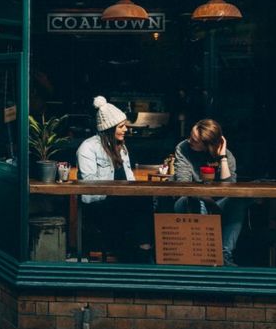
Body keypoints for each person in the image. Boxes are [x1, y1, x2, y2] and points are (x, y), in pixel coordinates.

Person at [76, 96, 153, 262]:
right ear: (110, 128)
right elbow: (89, 186)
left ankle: (142, 251)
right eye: (121, 126)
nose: (126, 129)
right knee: (136, 207)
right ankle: (141, 254)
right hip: (99, 203)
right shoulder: (88, 148)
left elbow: (129, 178)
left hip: (122, 201)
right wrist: (117, 193)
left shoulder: (121, 147)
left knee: (146, 200)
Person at [172, 118, 251, 266]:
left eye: (194, 140)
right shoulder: (183, 148)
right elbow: (183, 185)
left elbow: (229, 189)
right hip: (189, 200)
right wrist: (207, 199)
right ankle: (205, 254)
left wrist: (222, 159)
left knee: (238, 201)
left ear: (207, 145)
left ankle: (224, 255)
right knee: (197, 200)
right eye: (190, 136)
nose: (189, 141)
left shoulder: (227, 155)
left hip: (217, 203)